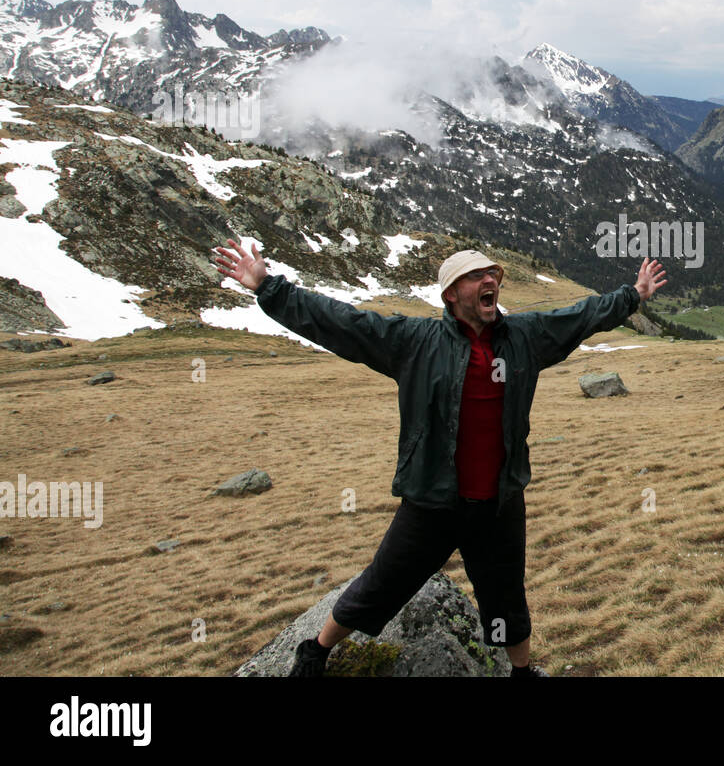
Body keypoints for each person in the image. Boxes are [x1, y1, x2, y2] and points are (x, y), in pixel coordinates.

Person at [210, 237, 667, 677]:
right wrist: (269, 288)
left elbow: (581, 316)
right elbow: (342, 322)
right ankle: (315, 650)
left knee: (506, 599)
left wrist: (634, 295)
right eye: (478, 276)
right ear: (452, 294)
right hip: (432, 501)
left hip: (499, 502)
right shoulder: (414, 341)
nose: (491, 280)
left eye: (494, 273)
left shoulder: (525, 337)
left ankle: (522, 672)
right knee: (381, 586)